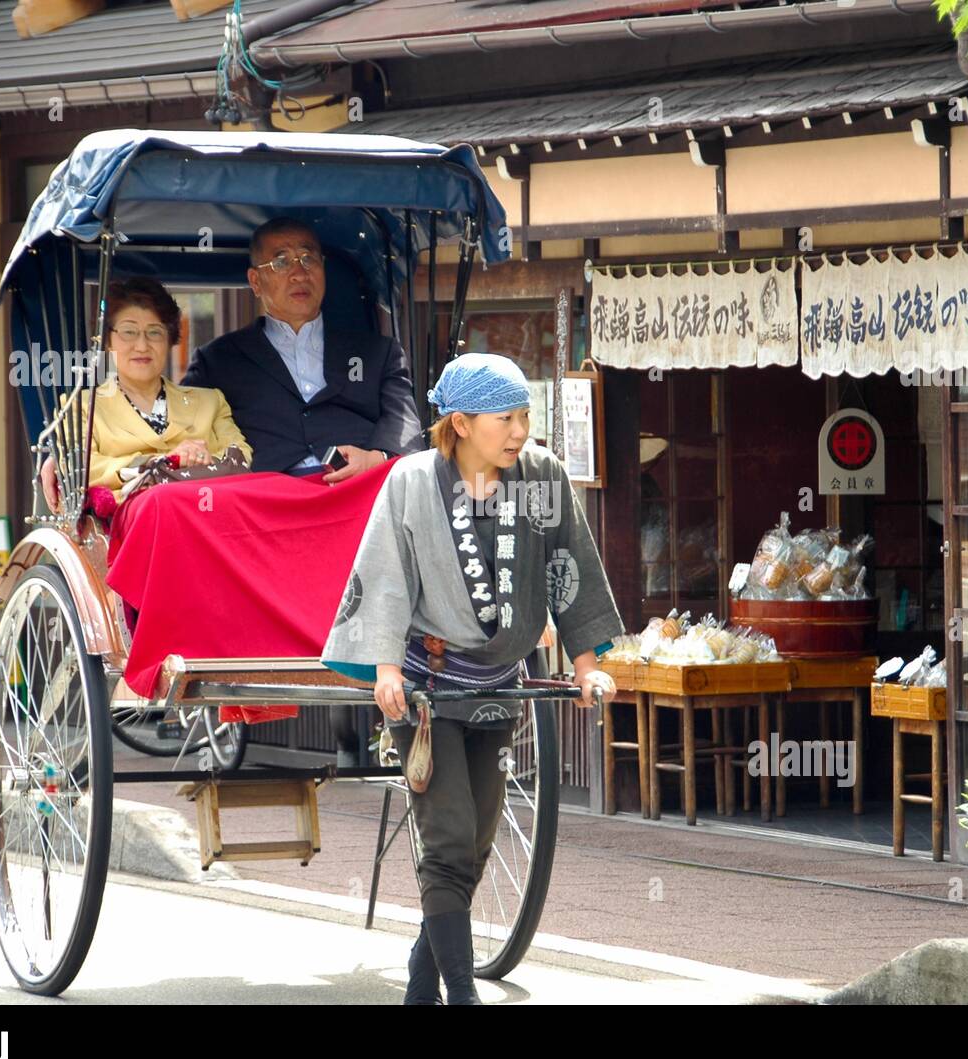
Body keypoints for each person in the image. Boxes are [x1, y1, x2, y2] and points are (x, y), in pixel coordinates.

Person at [320, 352, 623, 1005]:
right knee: (451, 831)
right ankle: (462, 992)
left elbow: (570, 568)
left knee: (478, 837)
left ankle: (421, 975)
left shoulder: (540, 476)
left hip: (500, 683)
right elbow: (386, 579)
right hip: (428, 687)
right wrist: (385, 668)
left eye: (524, 417)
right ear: (459, 422)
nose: (519, 431)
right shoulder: (409, 482)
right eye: (505, 419)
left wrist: (588, 666)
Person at [181, 217, 424, 484]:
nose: (299, 273)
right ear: (256, 281)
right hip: (264, 500)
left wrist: (375, 459)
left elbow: (406, 429)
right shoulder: (217, 361)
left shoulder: (378, 353)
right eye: (281, 262)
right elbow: (184, 425)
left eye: (308, 259)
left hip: (362, 492)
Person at [41, 277, 251, 506]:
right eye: (129, 332)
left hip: (207, 513)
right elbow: (82, 468)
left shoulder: (210, 401)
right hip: (131, 524)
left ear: (170, 340)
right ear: (108, 341)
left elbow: (240, 454)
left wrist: (202, 460)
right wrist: (163, 462)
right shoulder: (80, 407)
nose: (142, 346)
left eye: (155, 332)